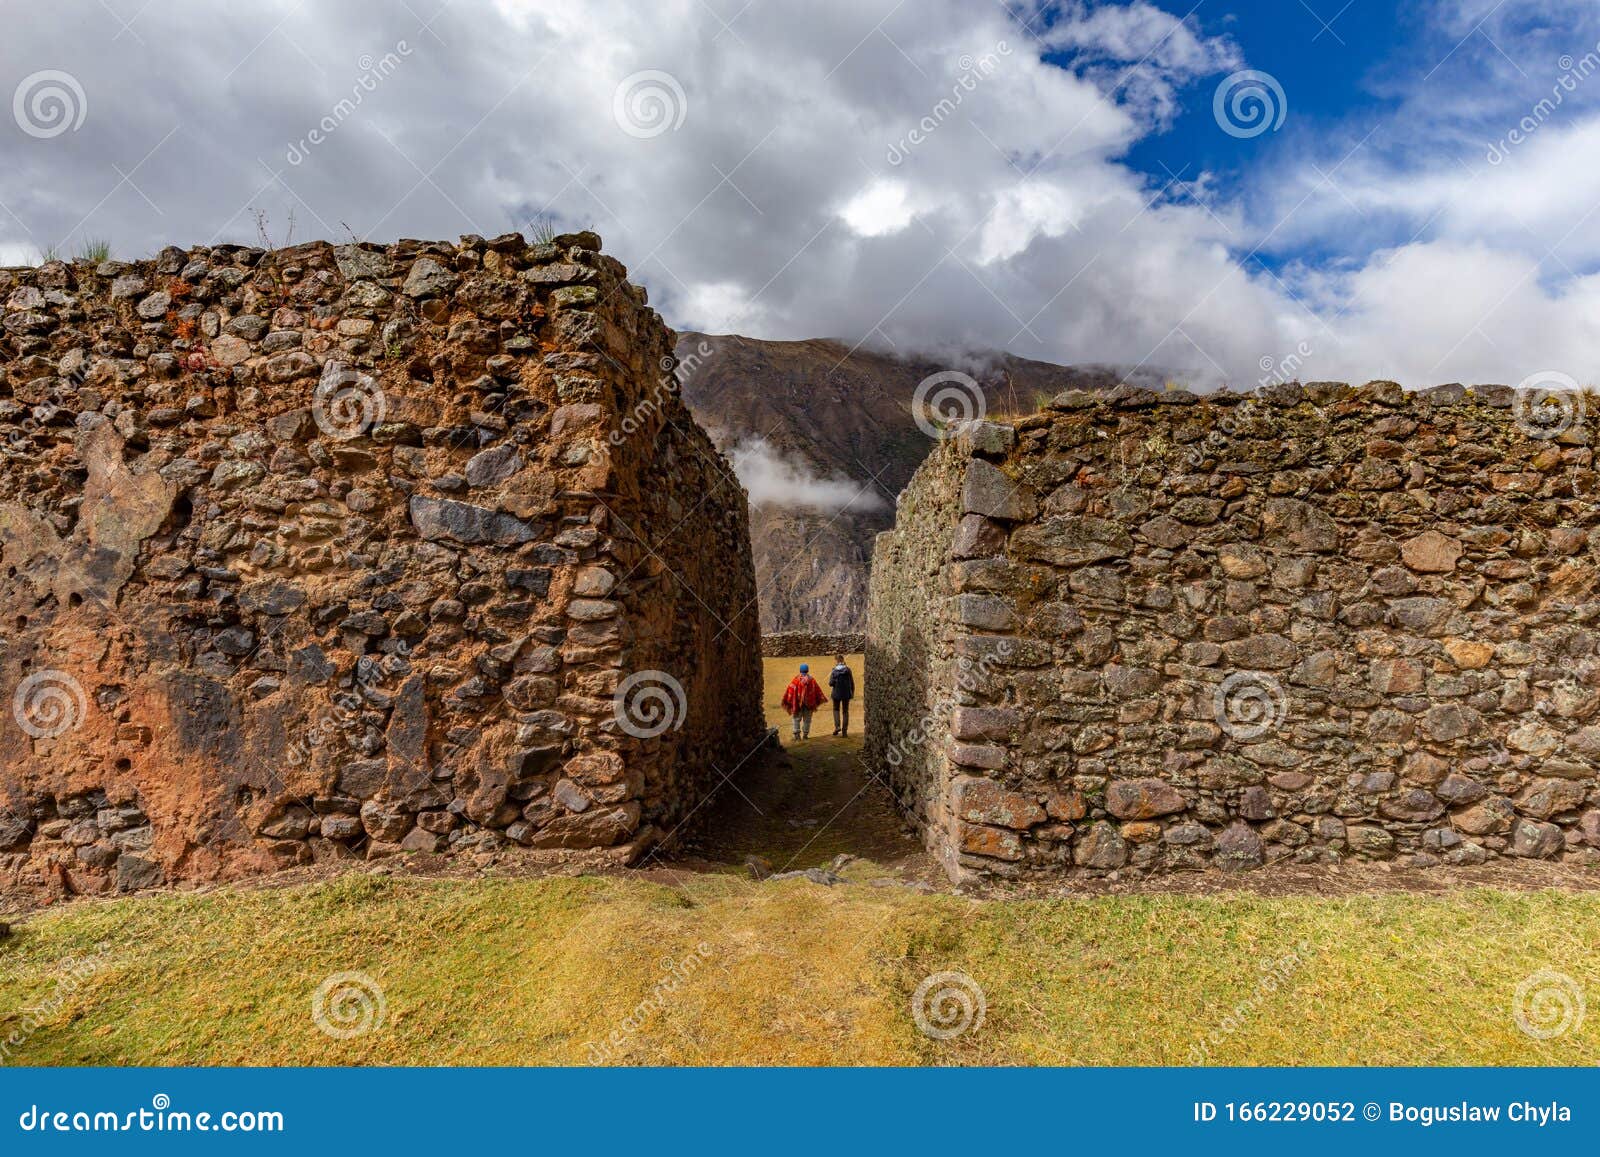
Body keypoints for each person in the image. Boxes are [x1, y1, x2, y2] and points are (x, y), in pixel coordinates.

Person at [780, 663, 827, 741]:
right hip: (809, 704)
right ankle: (805, 735)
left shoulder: (796, 680)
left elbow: (790, 690)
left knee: (796, 719)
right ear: (807, 670)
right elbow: (817, 691)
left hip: (798, 704)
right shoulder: (812, 680)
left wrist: (789, 700)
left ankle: (797, 735)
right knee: (807, 720)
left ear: (800, 670)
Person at [828, 655, 855, 736]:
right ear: (843, 660)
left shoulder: (834, 671)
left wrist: (834, 680)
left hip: (836, 693)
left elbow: (830, 683)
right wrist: (852, 692)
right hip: (846, 693)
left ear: (836, 661)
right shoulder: (848, 670)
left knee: (836, 709)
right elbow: (852, 682)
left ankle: (837, 726)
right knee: (845, 711)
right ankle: (844, 731)